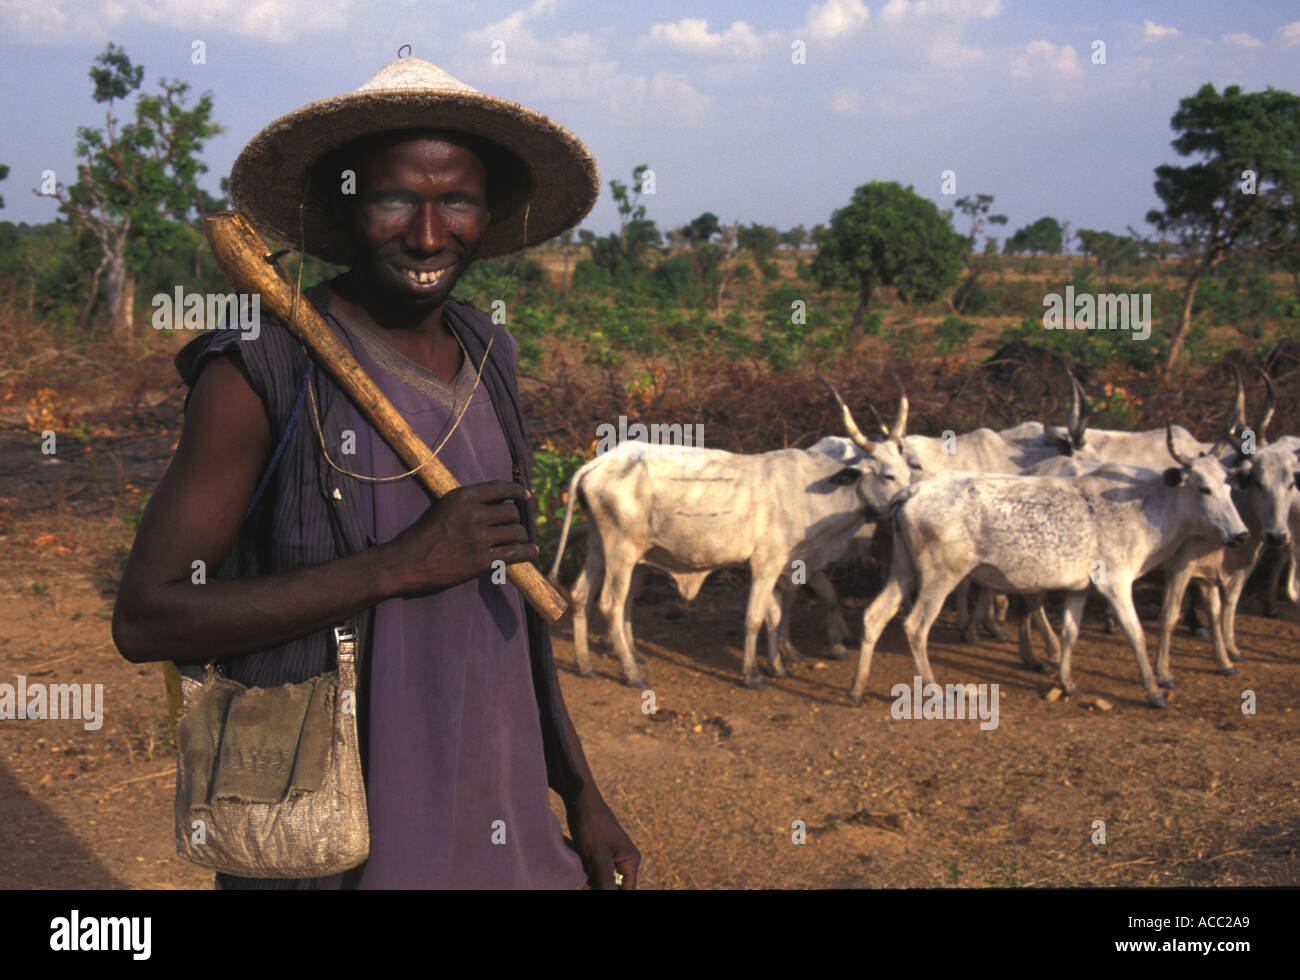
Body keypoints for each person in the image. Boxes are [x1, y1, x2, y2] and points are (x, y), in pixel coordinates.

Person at [112, 55, 640, 889]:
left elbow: (513, 599)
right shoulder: (258, 372)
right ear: (343, 206)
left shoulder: (488, 356)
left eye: (456, 200)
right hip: (336, 838)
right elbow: (147, 620)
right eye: (394, 198)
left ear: (489, 211)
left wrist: (579, 791)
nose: (428, 235)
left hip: (500, 825)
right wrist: (396, 567)